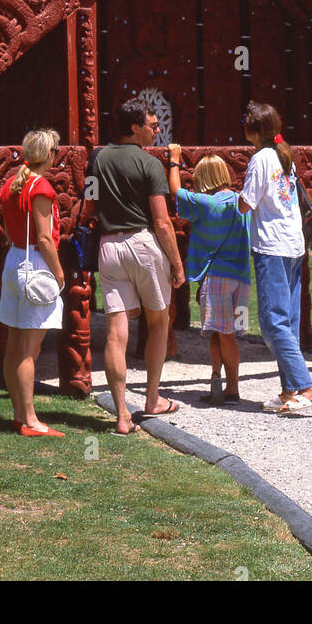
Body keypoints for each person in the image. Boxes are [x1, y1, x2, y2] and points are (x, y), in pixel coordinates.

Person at [89, 99, 185, 434]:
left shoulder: (97, 159)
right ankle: (153, 398)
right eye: (152, 124)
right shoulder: (150, 164)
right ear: (134, 127)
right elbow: (162, 222)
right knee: (159, 321)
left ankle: (121, 415)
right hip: (143, 244)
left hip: (109, 247)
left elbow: (89, 205)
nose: (157, 129)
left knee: (116, 331)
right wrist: (177, 263)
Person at [238, 102, 312, 415]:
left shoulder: (260, 159)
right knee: (289, 321)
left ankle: (307, 386)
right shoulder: (285, 156)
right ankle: (289, 390)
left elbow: (246, 204)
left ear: (256, 130)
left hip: (271, 246)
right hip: (294, 245)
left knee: (273, 323)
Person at [167, 149, 251, 405]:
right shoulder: (241, 202)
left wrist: (174, 160)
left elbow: (175, 192)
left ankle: (232, 387)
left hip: (217, 278)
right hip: (242, 278)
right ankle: (217, 380)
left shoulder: (206, 204)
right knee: (223, 332)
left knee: (223, 334)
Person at [0, 127, 66, 437]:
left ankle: (18, 413)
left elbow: (13, 229)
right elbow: (44, 238)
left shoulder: (11, 184)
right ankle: (31, 420)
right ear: (47, 154)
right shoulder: (41, 188)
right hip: (35, 263)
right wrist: (59, 273)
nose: (57, 156)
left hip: (13, 259)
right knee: (29, 349)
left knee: (14, 344)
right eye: (55, 151)